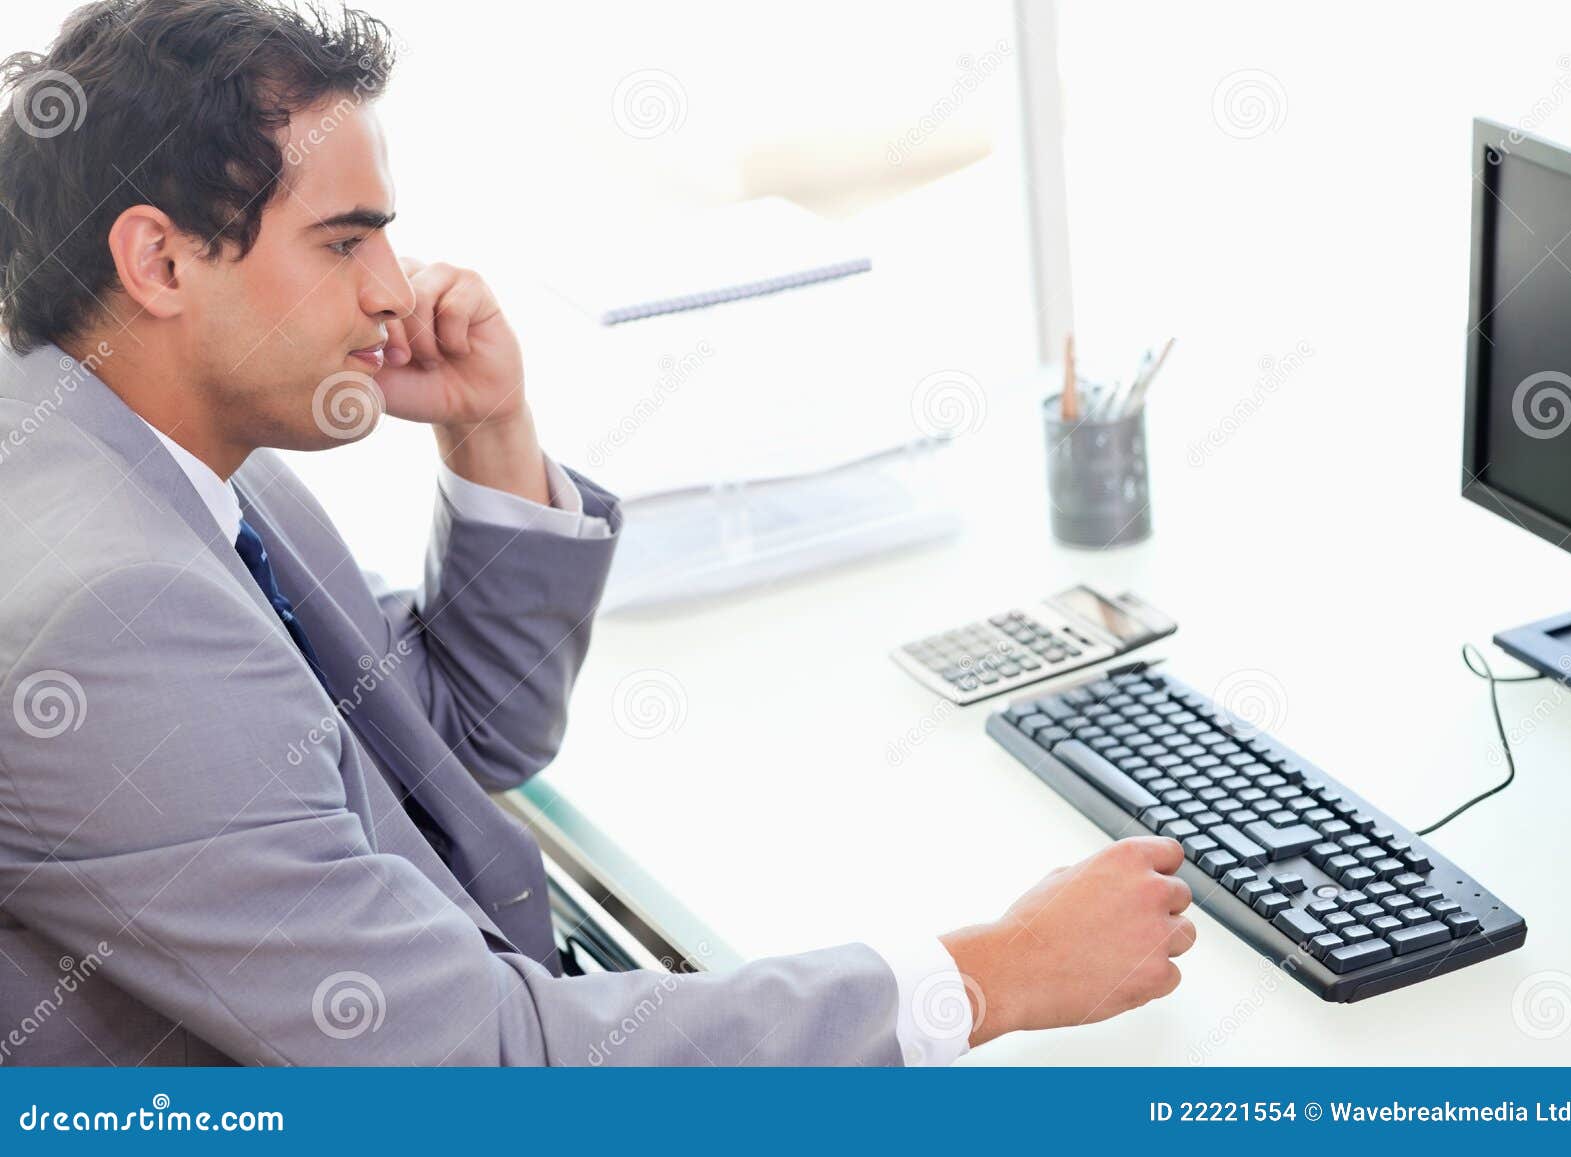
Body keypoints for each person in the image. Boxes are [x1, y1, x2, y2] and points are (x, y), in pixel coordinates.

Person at [0, 0, 1194, 1066]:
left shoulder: (141, 442)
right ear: (159, 260)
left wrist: (489, 429)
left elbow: (458, 739)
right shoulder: (117, 614)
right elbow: (488, 1067)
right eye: (345, 240)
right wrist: (990, 975)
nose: (394, 290)